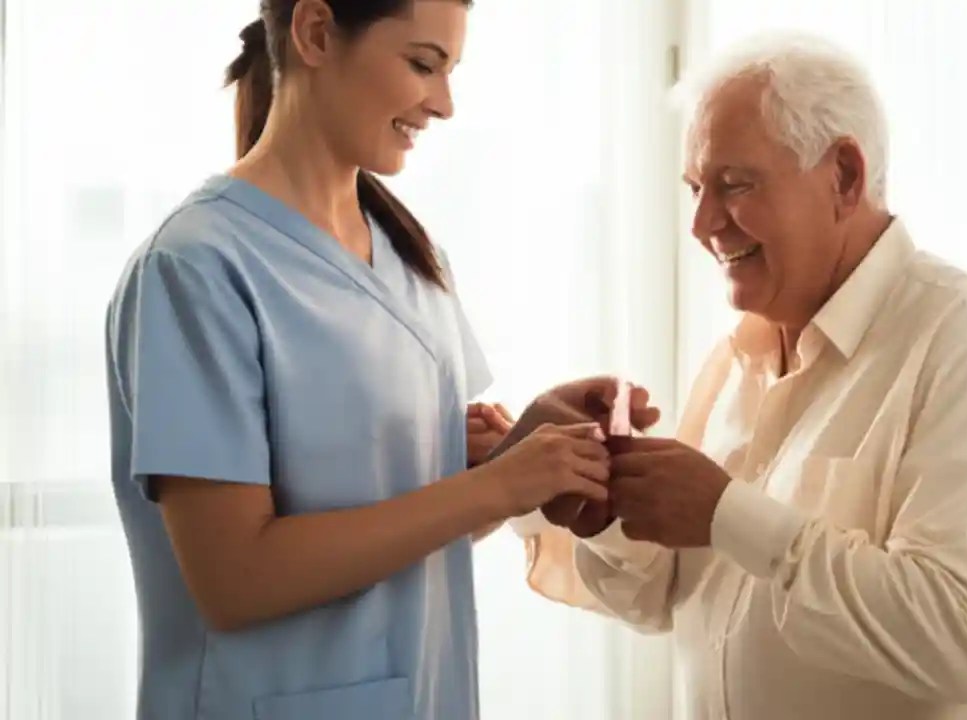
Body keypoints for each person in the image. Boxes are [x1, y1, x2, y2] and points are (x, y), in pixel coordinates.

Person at [104, 2, 655, 718]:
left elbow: (417, 519)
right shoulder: (195, 269)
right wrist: (491, 487)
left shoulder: (412, 259)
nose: (445, 104)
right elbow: (235, 578)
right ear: (316, 33)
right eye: (423, 65)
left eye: (449, 71)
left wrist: (515, 457)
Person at [509, 32, 967, 719]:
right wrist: (606, 513)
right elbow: (665, 601)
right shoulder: (734, 358)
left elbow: (961, 637)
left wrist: (726, 513)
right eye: (694, 188)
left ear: (844, 177)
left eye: (733, 185)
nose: (701, 224)